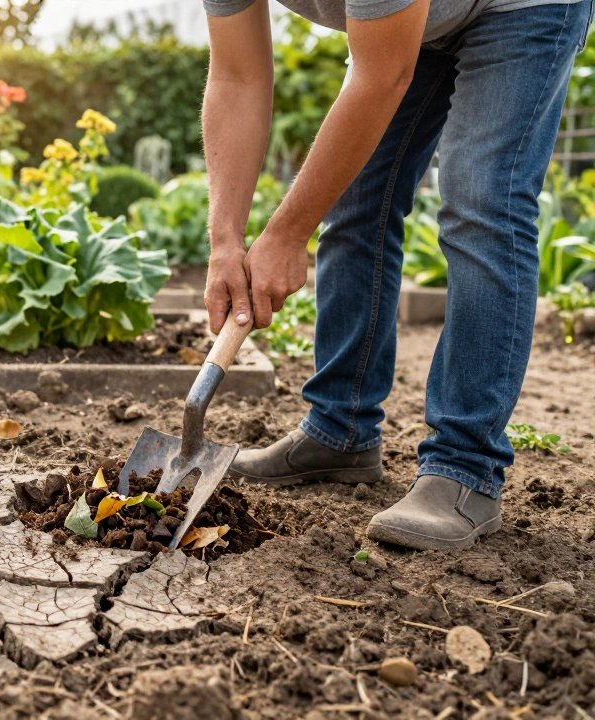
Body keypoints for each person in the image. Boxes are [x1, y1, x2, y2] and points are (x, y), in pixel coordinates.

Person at [201, 0, 591, 549]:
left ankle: (464, 469)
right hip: (418, 18)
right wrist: (225, 240)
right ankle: (340, 430)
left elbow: (382, 75)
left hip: (521, 9)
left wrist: (286, 235)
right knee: (358, 196)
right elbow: (238, 77)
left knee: (482, 203)